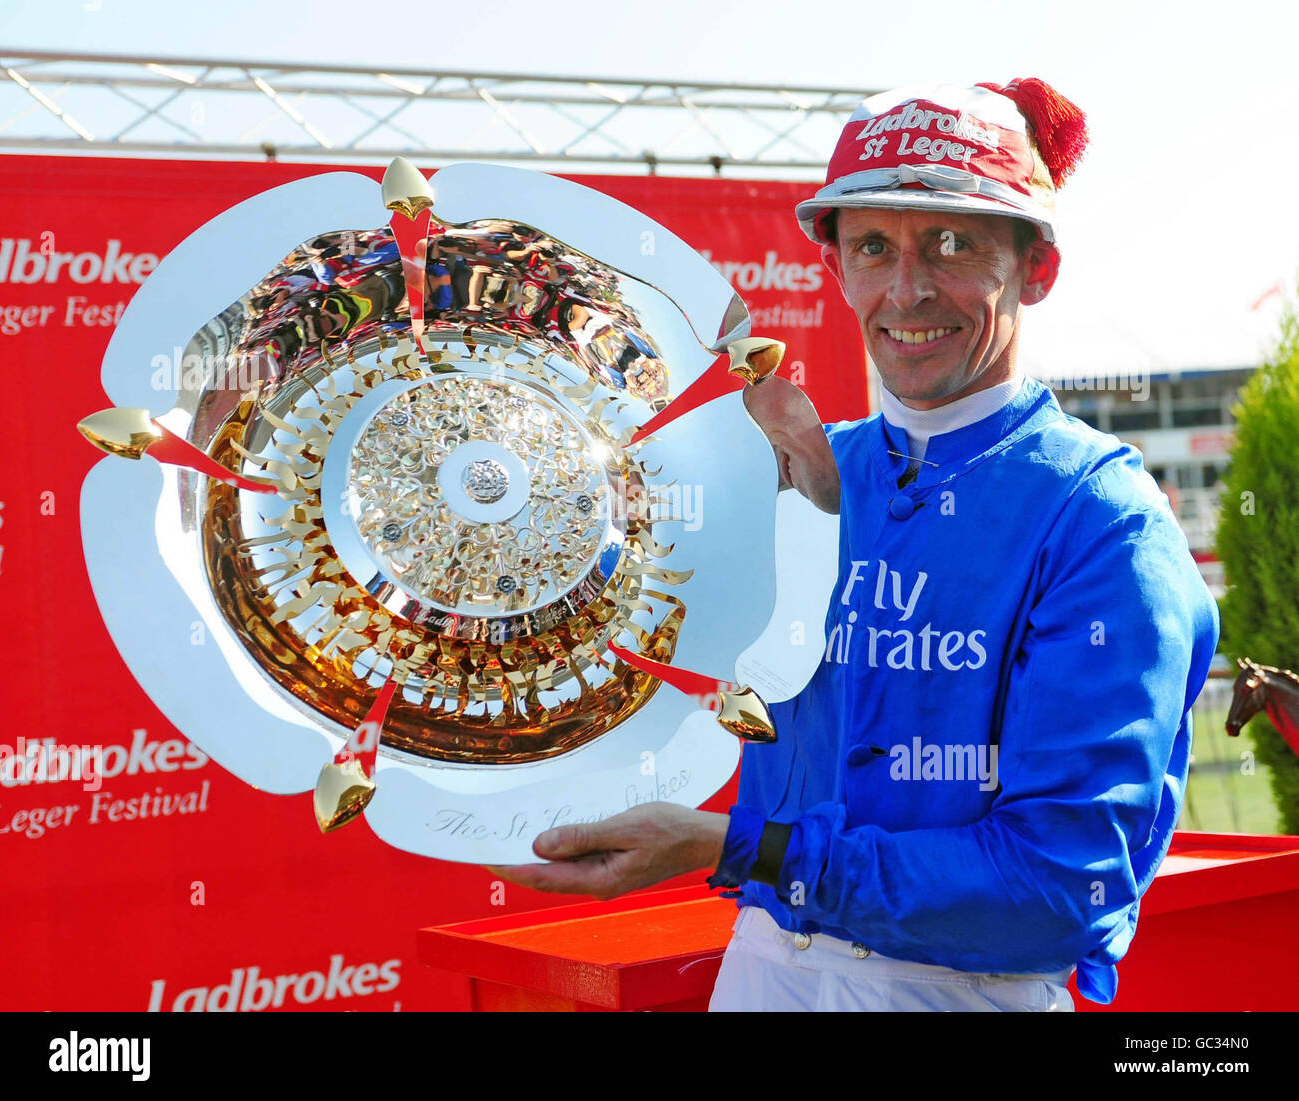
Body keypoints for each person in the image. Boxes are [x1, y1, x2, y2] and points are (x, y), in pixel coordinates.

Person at [487, 78, 1220, 1012]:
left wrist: (740, 849)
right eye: (874, 246)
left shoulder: (1103, 521)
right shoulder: (797, 475)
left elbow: (1055, 890)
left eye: (953, 243)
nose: (908, 289)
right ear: (836, 269)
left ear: (1036, 266)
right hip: (761, 970)